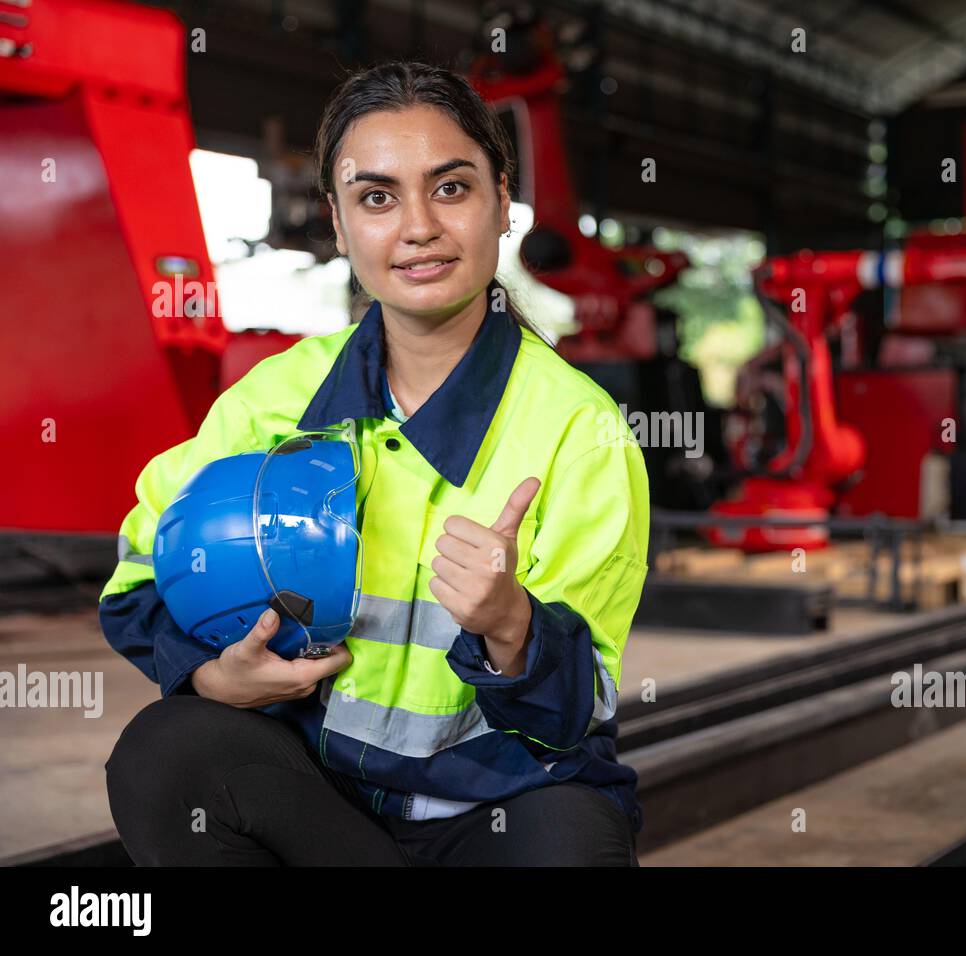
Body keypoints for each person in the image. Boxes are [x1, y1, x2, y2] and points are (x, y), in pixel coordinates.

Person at [98, 61, 650, 866]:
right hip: (320, 807)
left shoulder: (579, 429)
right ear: (339, 218)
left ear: (502, 201)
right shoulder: (272, 399)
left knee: (574, 844)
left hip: (494, 809)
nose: (418, 226)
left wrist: (512, 627)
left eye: (452, 188)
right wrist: (211, 677)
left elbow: (576, 713)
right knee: (166, 755)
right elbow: (137, 579)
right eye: (378, 197)